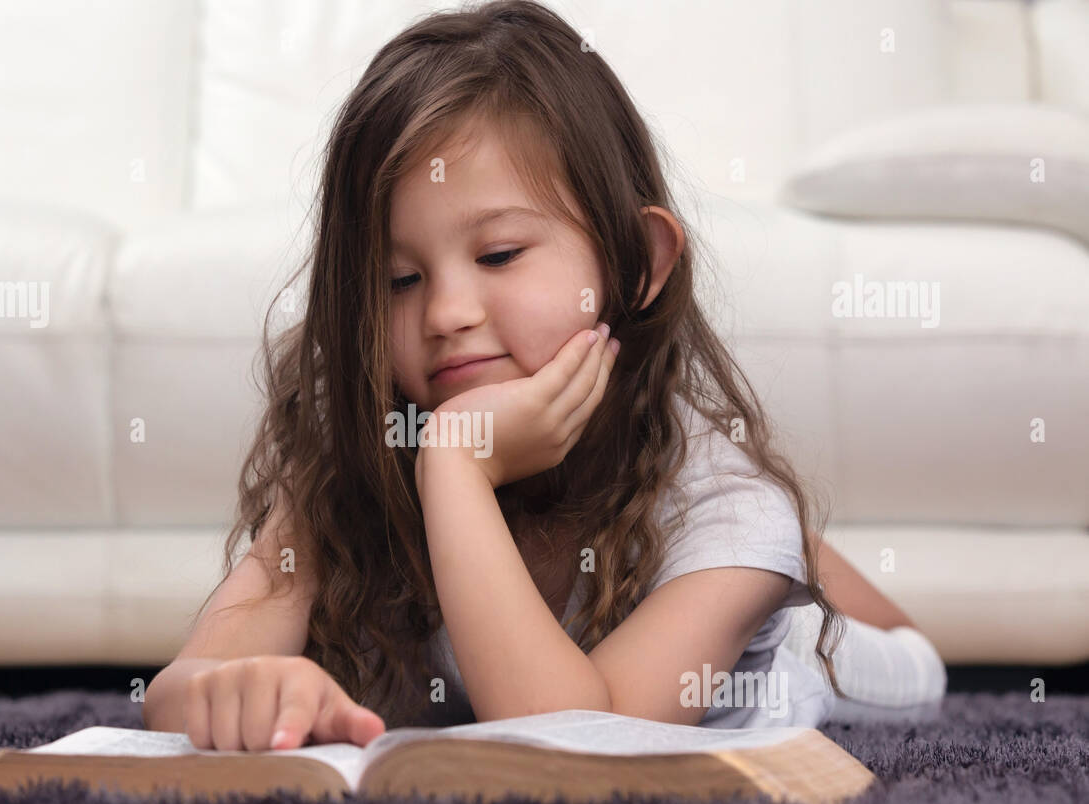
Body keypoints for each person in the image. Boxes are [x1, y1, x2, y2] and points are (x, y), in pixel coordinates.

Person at [143, 0, 946, 751]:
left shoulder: (721, 506)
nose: (445, 313)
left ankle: (791, 560)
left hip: (807, 659)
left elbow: (576, 740)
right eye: (398, 279)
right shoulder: (353, 466)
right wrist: (235, 691)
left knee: (884, 640)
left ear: (637, 265)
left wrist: (456, 462)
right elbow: (185, 685)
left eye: (498, 255)